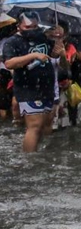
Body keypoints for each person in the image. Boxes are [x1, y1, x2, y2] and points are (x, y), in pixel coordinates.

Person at [2, 12, 64, 152]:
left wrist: (58, 46)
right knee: (34, 126)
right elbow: (9, 63)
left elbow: (51, 54)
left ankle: (40, 154)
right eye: (28, 27)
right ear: (19, 26)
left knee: (45, 125)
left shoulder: (42, 37)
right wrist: (33, 55)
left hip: (47, 87)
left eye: (35, 27)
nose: (32, 30)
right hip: (27, 88)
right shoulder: (12, 42)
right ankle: (30, 158)